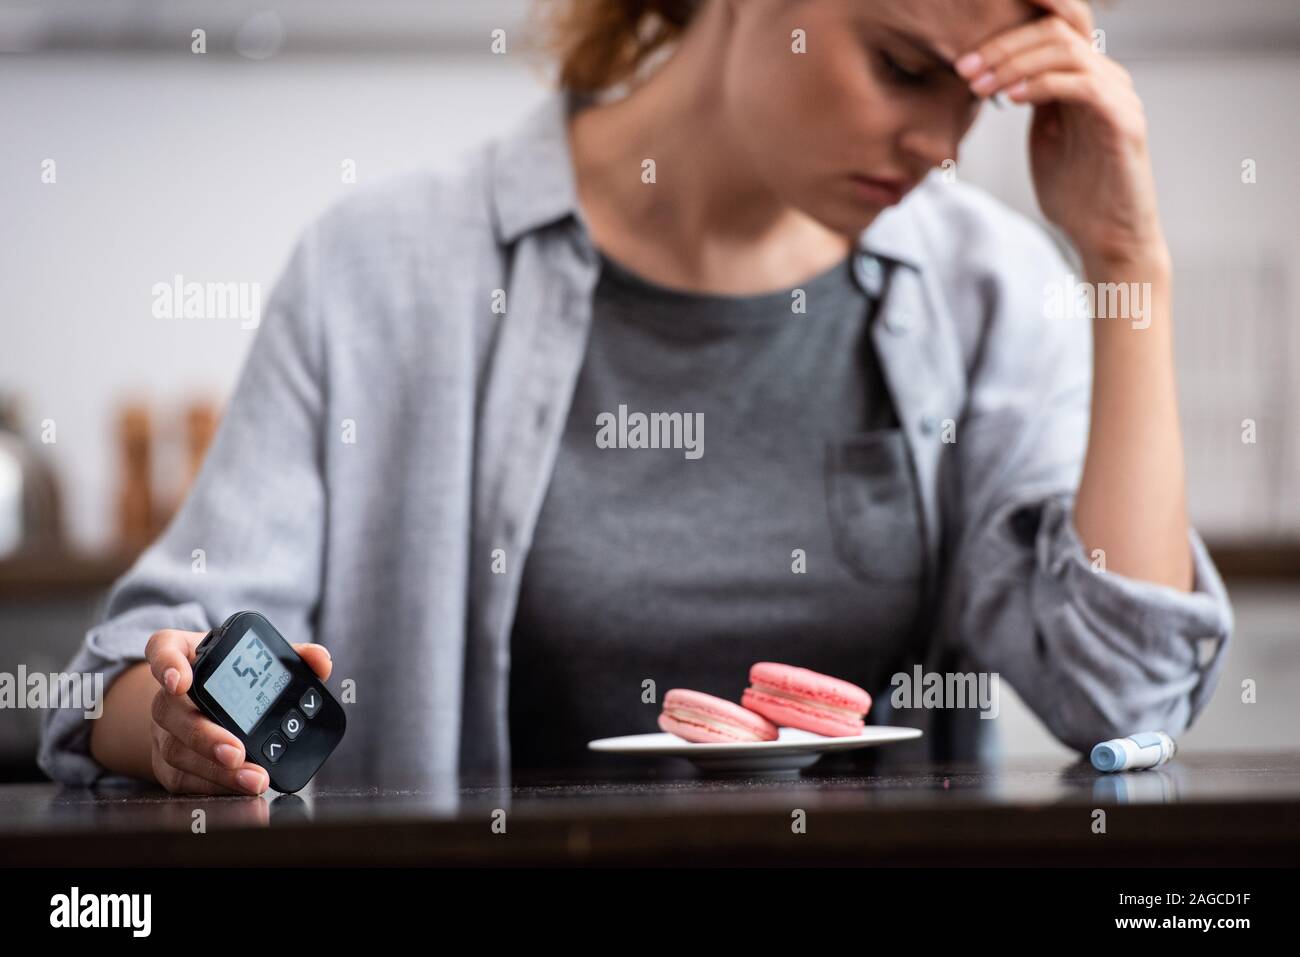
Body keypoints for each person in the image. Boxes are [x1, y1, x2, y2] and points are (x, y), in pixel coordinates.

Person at [40, 0, 1232, 794]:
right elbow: (120, 689)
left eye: (978, 96)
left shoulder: (989, 287)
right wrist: (173, 731)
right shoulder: (383, 268)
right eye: (904, 66)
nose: (939, 142)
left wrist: (1127, 266)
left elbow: (1123, 700)